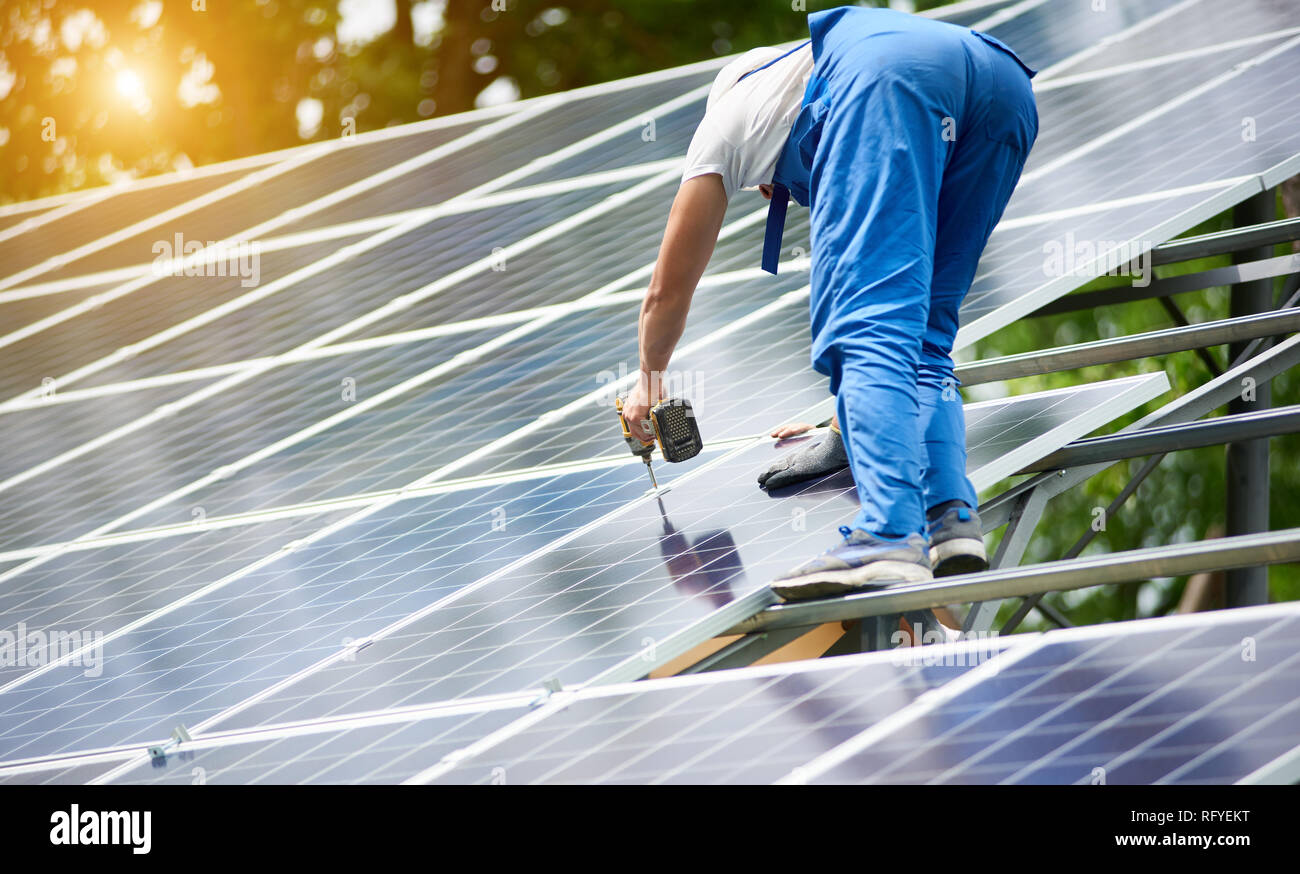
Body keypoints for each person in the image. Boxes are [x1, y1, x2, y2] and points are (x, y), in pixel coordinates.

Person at [620, 5, 1038, 601]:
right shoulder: (796, 82)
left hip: (894, 78)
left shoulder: (723, 127)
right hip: (1002, 84)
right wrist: (846, 421)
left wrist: (649, 380)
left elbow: (668, 288)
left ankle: (888, 535)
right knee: (924, 334)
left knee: (868, 323)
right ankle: (950, 519)